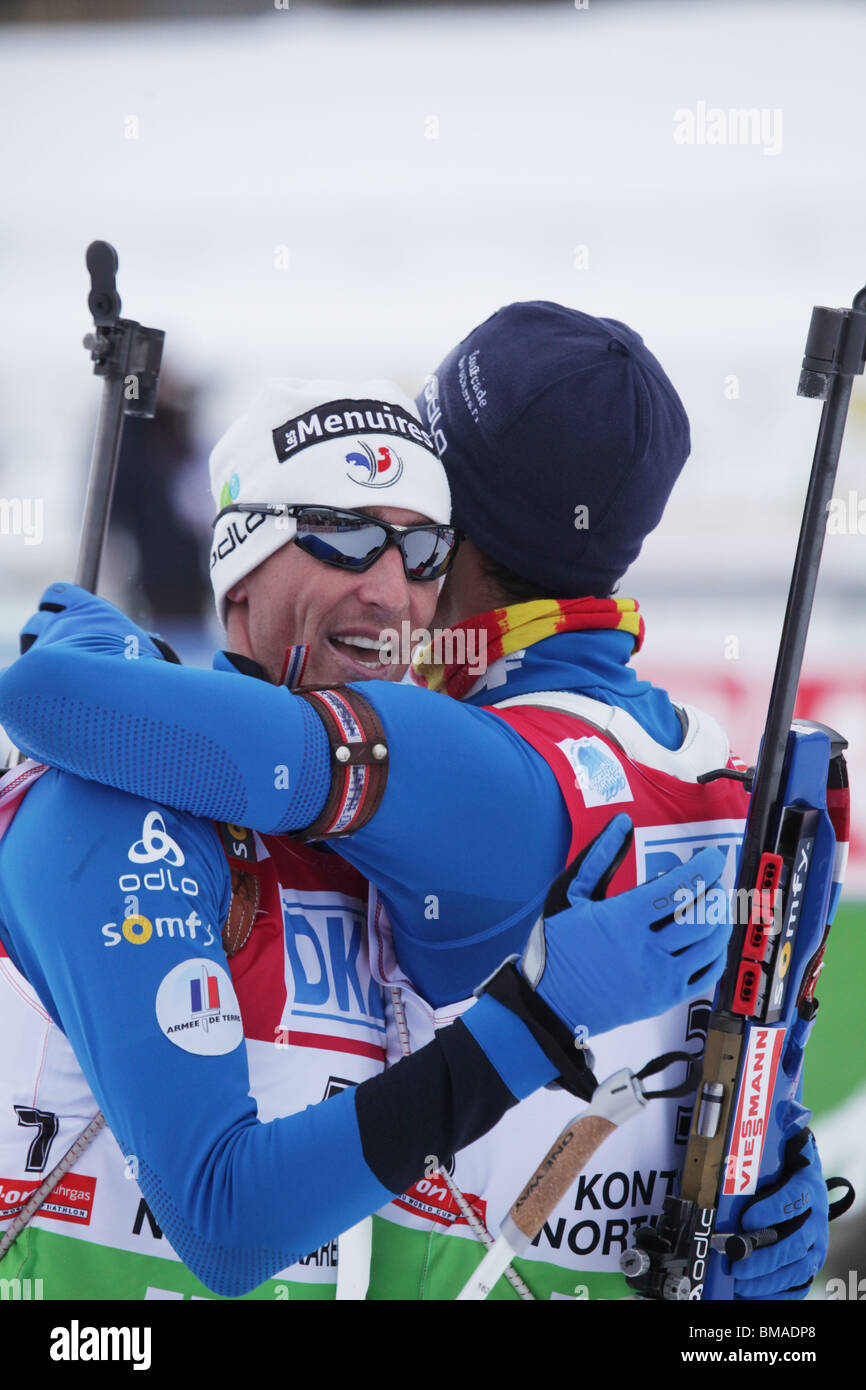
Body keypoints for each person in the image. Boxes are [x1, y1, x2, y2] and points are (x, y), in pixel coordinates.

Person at [0, 305, 829, 1301]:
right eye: (344, 533)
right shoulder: (722, 780)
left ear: (463, 530)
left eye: (422, 544)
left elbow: (64, 700)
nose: (391, 592)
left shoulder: (460, 763)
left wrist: (98, 642)